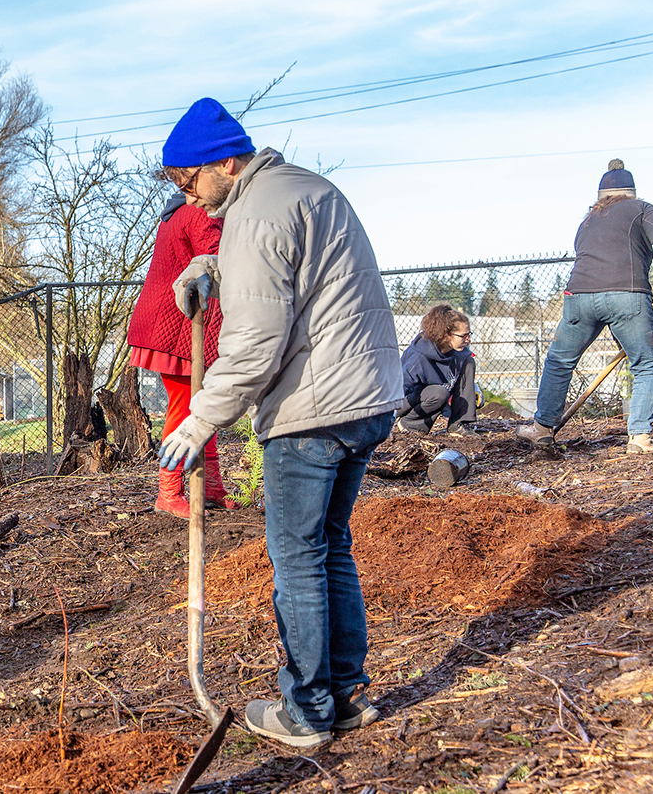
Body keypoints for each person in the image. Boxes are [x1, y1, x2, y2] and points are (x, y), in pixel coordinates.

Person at [157, 98, 401, 749]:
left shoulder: (257, 213)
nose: (187, 195)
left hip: (312, 410)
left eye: (190, 180)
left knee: (297, 557)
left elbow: (259, 341)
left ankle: (309, 711)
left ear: (228, 162)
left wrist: (201, 418)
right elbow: (293, 274)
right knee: (329, 545)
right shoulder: (299, 191)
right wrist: (209, 266)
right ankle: (344, 696)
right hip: (364, 400)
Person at [518, 160, 653, 454]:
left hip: (578, 297)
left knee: (559, 361)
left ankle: (541, 427)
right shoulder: (642, 209)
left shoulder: (588, 221)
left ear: (601, 197)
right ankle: (641, 438)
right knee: (646, 364)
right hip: (627, 295)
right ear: (631, 192)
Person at [126, 191, 232, 515]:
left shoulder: (181, 208)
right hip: (176, 326)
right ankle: (168, 491)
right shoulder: (202, 210)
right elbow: (218, 259)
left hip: (176, 323)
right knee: (184, 405)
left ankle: (211, 486)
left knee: (201, 404)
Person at [397, 304, 480, 436]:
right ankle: (410, 424)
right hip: (407, 400)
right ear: (446, 335)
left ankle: (458, 424)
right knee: (440, 393)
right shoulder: (419, 356)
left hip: (434, 397)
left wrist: (474, 388)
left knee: (469, 361)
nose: (468, 340)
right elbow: (399, 387)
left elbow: (463, 377)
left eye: (469, 334)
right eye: (463, 336)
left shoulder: (460, 352)